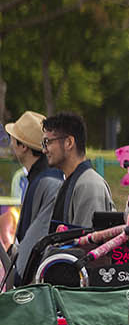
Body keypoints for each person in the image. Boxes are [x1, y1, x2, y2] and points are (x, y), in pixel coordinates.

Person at [25, 113, 112, 272]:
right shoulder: (73, 182)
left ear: (69, 142)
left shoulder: (89, 185)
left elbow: (87, 250)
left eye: (48, 142)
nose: (44, 150)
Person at [4, 111, 59, 284]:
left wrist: (19, 276)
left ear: (23, 146)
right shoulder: (43, 177)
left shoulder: (46, 181)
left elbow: (38, 235)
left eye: (14, 139)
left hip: (36, 279)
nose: (11, 143)